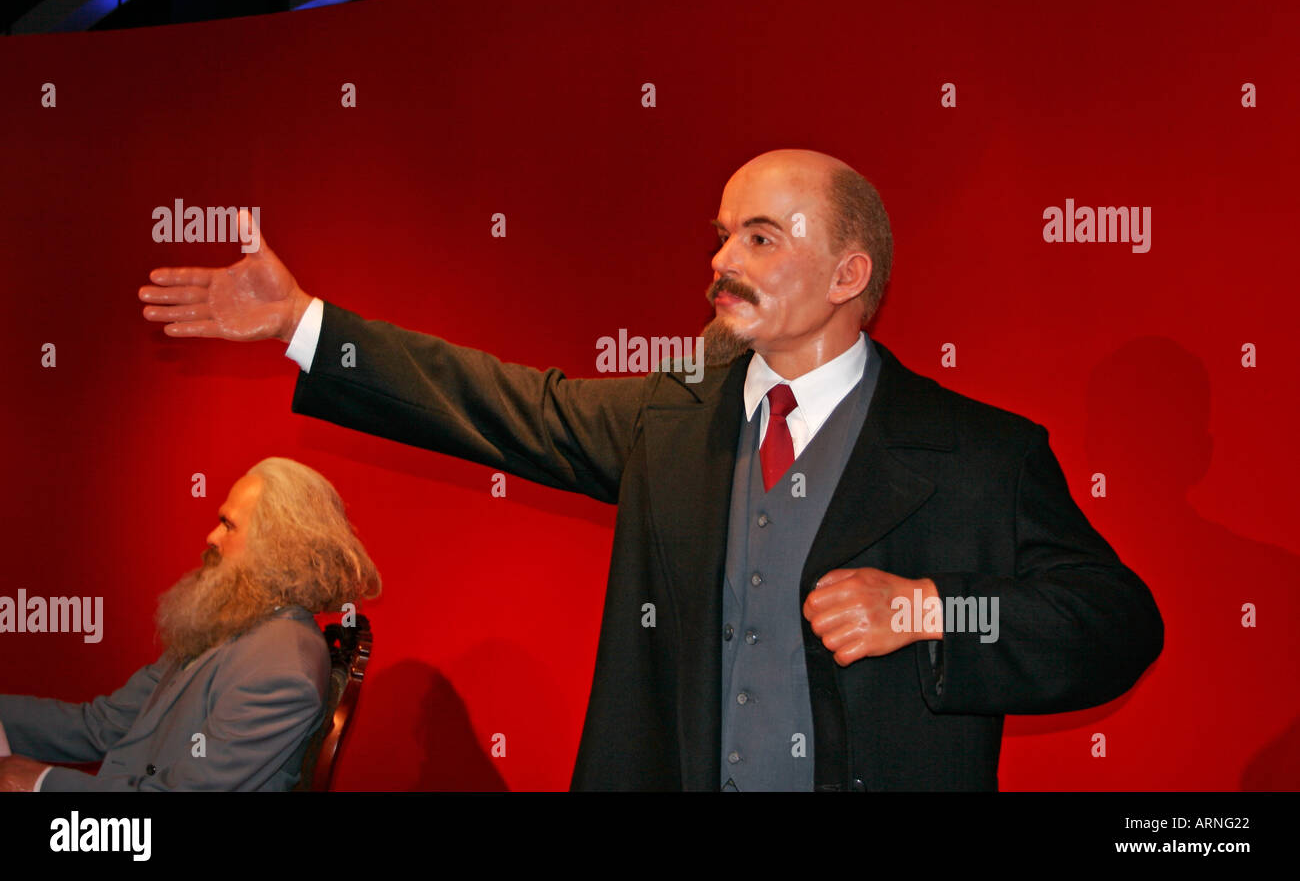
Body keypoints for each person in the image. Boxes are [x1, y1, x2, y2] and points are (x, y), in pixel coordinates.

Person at [136, 148, 1162, 790]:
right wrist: (307, 326)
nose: (722, 260)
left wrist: (936, 608)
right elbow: (503, 402)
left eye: (762, 236)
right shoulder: (668, 420)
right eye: (721, 236)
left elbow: (1113, 621)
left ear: (850, 273)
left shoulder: (981, 452)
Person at [0, 457, 381, 791]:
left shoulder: (282, 670)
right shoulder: (232, 622)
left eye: (227, 525)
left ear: (280, 544)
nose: (211, 536)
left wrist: (37, 781)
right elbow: (102, 725)